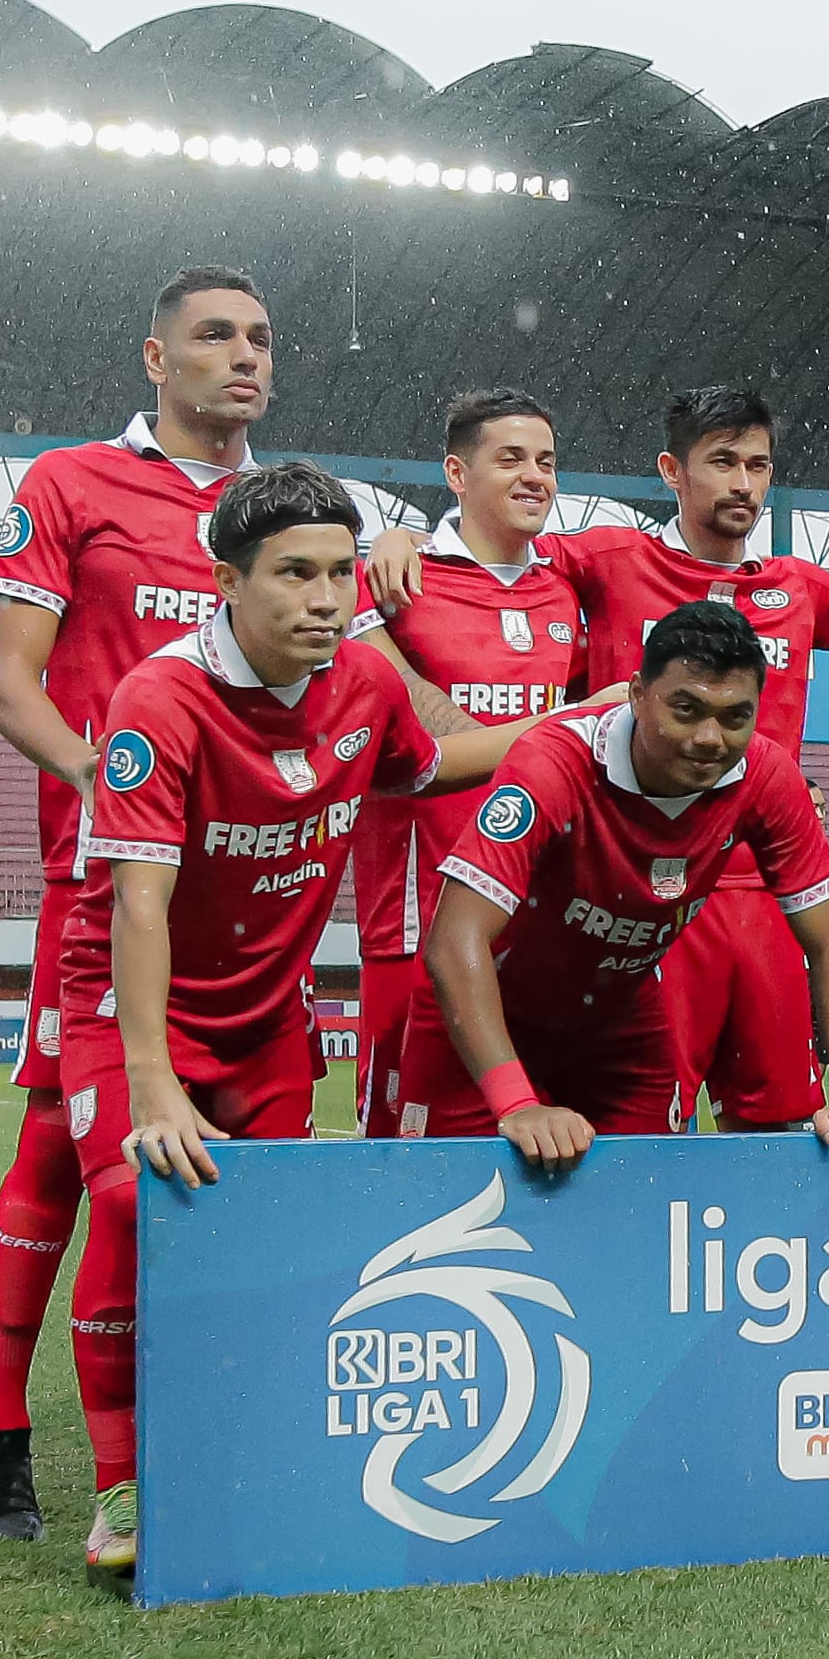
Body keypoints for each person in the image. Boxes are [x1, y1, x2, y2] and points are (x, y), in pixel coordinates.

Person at [373, 387, 829, 1128]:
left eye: (757, 465)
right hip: (644, 896)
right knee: (654, 1122)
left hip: (768, 889)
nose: (742, 483)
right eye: (722, 462)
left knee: (783, 1121)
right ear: (671, 471)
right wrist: (403, 540)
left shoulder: (800, 587)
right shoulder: (607, 560)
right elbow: (499, 541)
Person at [54, 461, 522, 1575]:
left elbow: (429, 764)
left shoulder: (363, 681)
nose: (324, 598)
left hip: (271, 1022)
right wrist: (154, 1079)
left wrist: (573, 724)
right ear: (226, 580)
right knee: (131, 1207)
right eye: (295, 575)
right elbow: (139, 903)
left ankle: (239, 1460)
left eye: (339, 574)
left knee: (264, 1246)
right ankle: (119, 1490)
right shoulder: (158, 701)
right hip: (134, 1007)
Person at [0, 265, 272, 1545]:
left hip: (250, 902)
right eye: (213, 336)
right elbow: (7, 683)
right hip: (101, 888)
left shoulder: (285, 521)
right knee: (61, 1148)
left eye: (259, 338)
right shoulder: (71, 484)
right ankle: (1, 1434)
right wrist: (111, 784)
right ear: (155, 360)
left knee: (226, 1177)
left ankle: (204, 1427)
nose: (243, 357)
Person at [403, 603, 829, 1177]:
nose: (710, 738)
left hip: (620, 1030)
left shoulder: (766, 775)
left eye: (736, 716)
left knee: (646, 1228)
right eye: (686, 710)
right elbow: (453, 942)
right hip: (484, 1022)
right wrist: (517, 1103)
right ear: (637, 694)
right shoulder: (553, 760)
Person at [347, 390, 586, 1137]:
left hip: (541, 915)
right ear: (455, 472)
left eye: (546, 461)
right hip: (417, 913)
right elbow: (412, 727)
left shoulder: (572, 590)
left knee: (543, 1135)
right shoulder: (392, 581)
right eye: (510, 458)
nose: (534, 476)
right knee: (399, 1155)